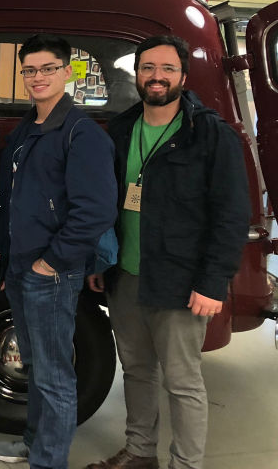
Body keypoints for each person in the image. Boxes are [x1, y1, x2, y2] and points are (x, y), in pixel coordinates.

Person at [85, 36, 250, 469]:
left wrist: (212, 283)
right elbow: (107, 201)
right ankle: (141, 453)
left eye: (167, 68)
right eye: (148, 68)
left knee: (182, 382)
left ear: (182, 76)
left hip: (180, 280)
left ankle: (186, 463)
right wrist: (102, 261)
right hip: (126, 275)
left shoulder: (210, 135)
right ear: (137, 74)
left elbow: (232, 216)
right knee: (137, 371)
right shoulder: (121, 129)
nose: (156, 77)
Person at [0, 35, 117, 468]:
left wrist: (51, 263)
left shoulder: (82, 134)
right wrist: (11, 261)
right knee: (36, 367)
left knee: (55, 374)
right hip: (23, 266)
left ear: (67, 72)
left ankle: (48, 461)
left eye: (47, 68)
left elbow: (95, 211)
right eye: (30, 70)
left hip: (51, 272)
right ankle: (33, 442)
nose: (37, 77)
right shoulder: (29, 129)